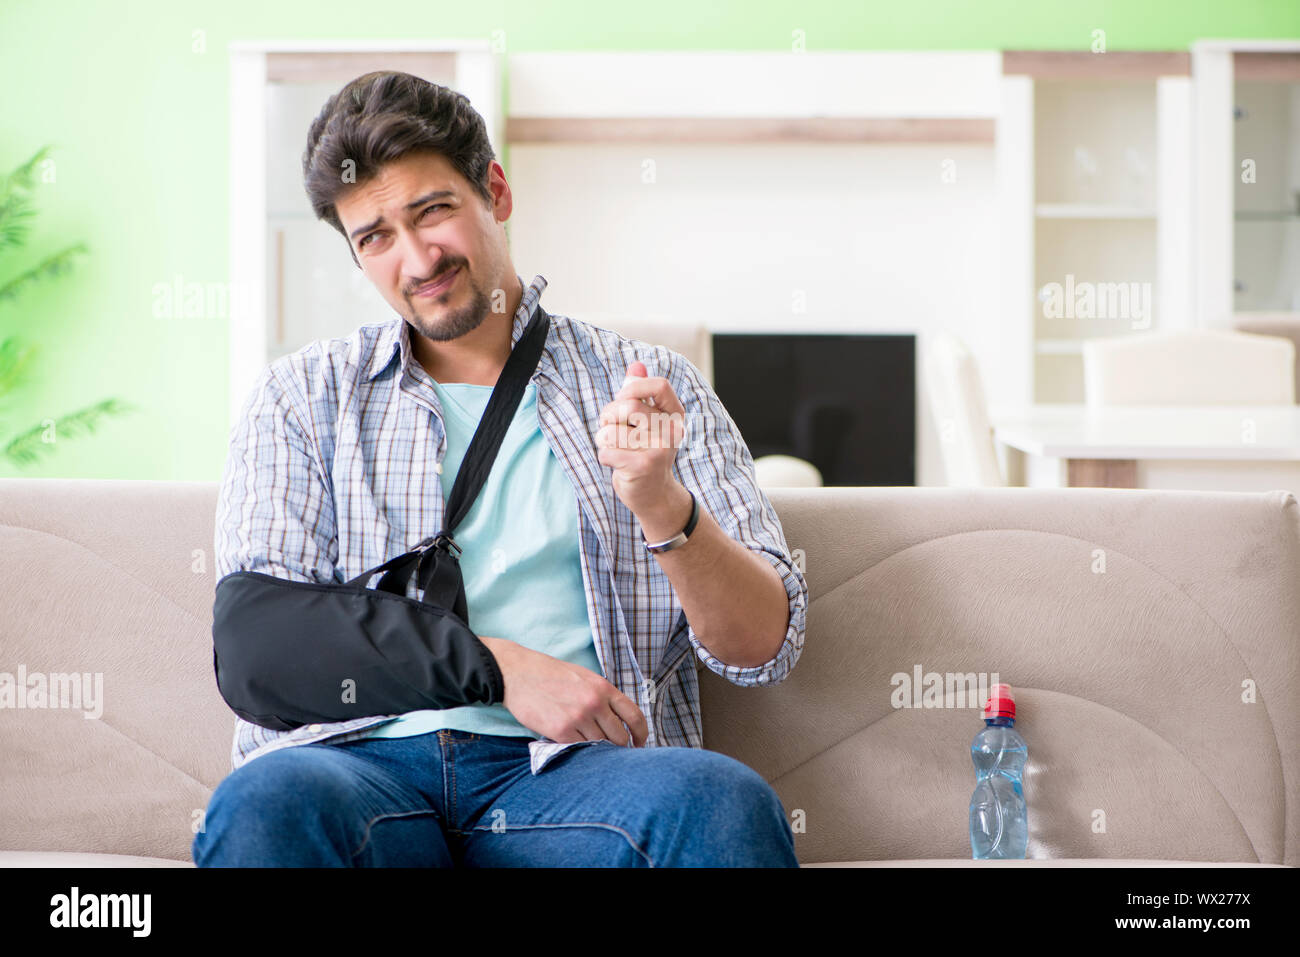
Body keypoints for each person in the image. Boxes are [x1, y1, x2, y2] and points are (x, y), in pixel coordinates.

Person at [192, 71, 808, 867]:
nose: (415, 260)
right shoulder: (302, 397)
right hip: (355, 773)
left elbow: (764, 646)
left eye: (432, 211)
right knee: (263, 805)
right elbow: (257, 645)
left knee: (723, 802)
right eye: (374, 237)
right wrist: (497, 668)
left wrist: (661, 502)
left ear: (496, 190)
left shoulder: (649, 383)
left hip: (572, 778)